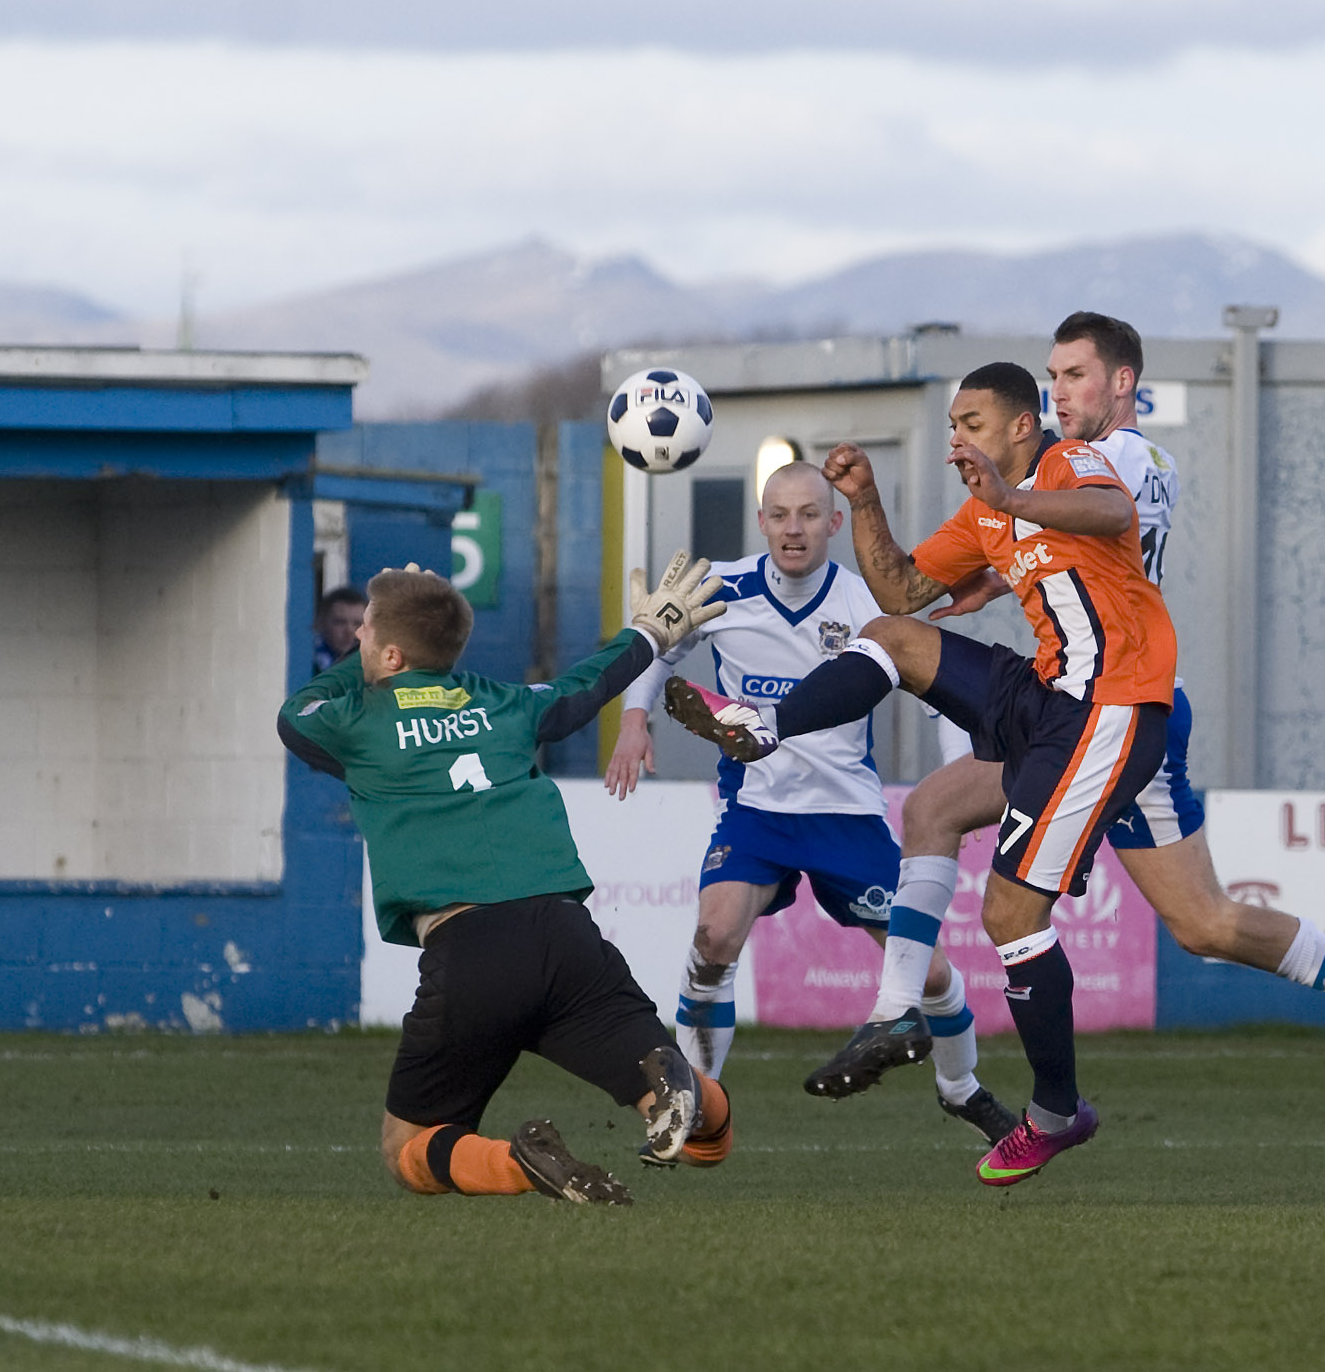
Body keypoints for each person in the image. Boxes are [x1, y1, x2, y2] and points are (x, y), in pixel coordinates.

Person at [899, 313, 1325, 1091]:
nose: (1057, 392)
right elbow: (1090, 544)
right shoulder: (1125, 460)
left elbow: (1101, 515)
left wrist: (1007, 524)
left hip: (1108, 711)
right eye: (1053, 375)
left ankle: (905, 1008)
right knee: (1204, 923)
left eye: (1075, 375)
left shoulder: (1114, 458)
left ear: (1123, 382)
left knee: (940, 814)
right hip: (1096, 705)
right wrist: (1003, 568)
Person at [666, 361, 1176, 1187]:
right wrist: (866, 501)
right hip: (1048, 695)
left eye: (970, 423)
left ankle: (1053, 1113)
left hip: (1110, 705)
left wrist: (1010, 503)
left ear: (1020, 424)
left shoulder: (1066, 465)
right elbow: (900, 591)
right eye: (951, 425)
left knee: (1011, 914)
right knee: (906, 696)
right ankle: (767, 730)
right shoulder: (987, 512)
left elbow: (1113, 509)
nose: (955, 439)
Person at [277, 553, 733, 1206]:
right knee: (703, 1141)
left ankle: (520, 1162)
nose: (356, 638)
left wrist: (385, 644)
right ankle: (682, 1088)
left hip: (472, 953)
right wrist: (651, 634)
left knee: (408, 1147)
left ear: (392, 656)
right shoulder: (507, 705)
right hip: (566, 939)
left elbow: (297, 713)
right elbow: (583, 689)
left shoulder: (359, 719)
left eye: (367, 630)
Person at [605, 461, 1020, 1145]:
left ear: (833, 523)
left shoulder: (865, 605)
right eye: (779, 514)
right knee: (713, 938)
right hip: (758, 812)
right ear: (762, 521)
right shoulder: (723, 589)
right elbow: (656, 651)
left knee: (933, 971)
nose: (792, 529)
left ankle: (961, 1088)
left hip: (846, 815)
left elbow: (940, 694)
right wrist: (632, 719)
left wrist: (959, 787)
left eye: (807, 515)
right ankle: (699, 1108)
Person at [313, 586, 367, 672]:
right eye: (340, 622)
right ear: (321, 623)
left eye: (357, 624)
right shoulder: (308, 663)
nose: (349, 631)